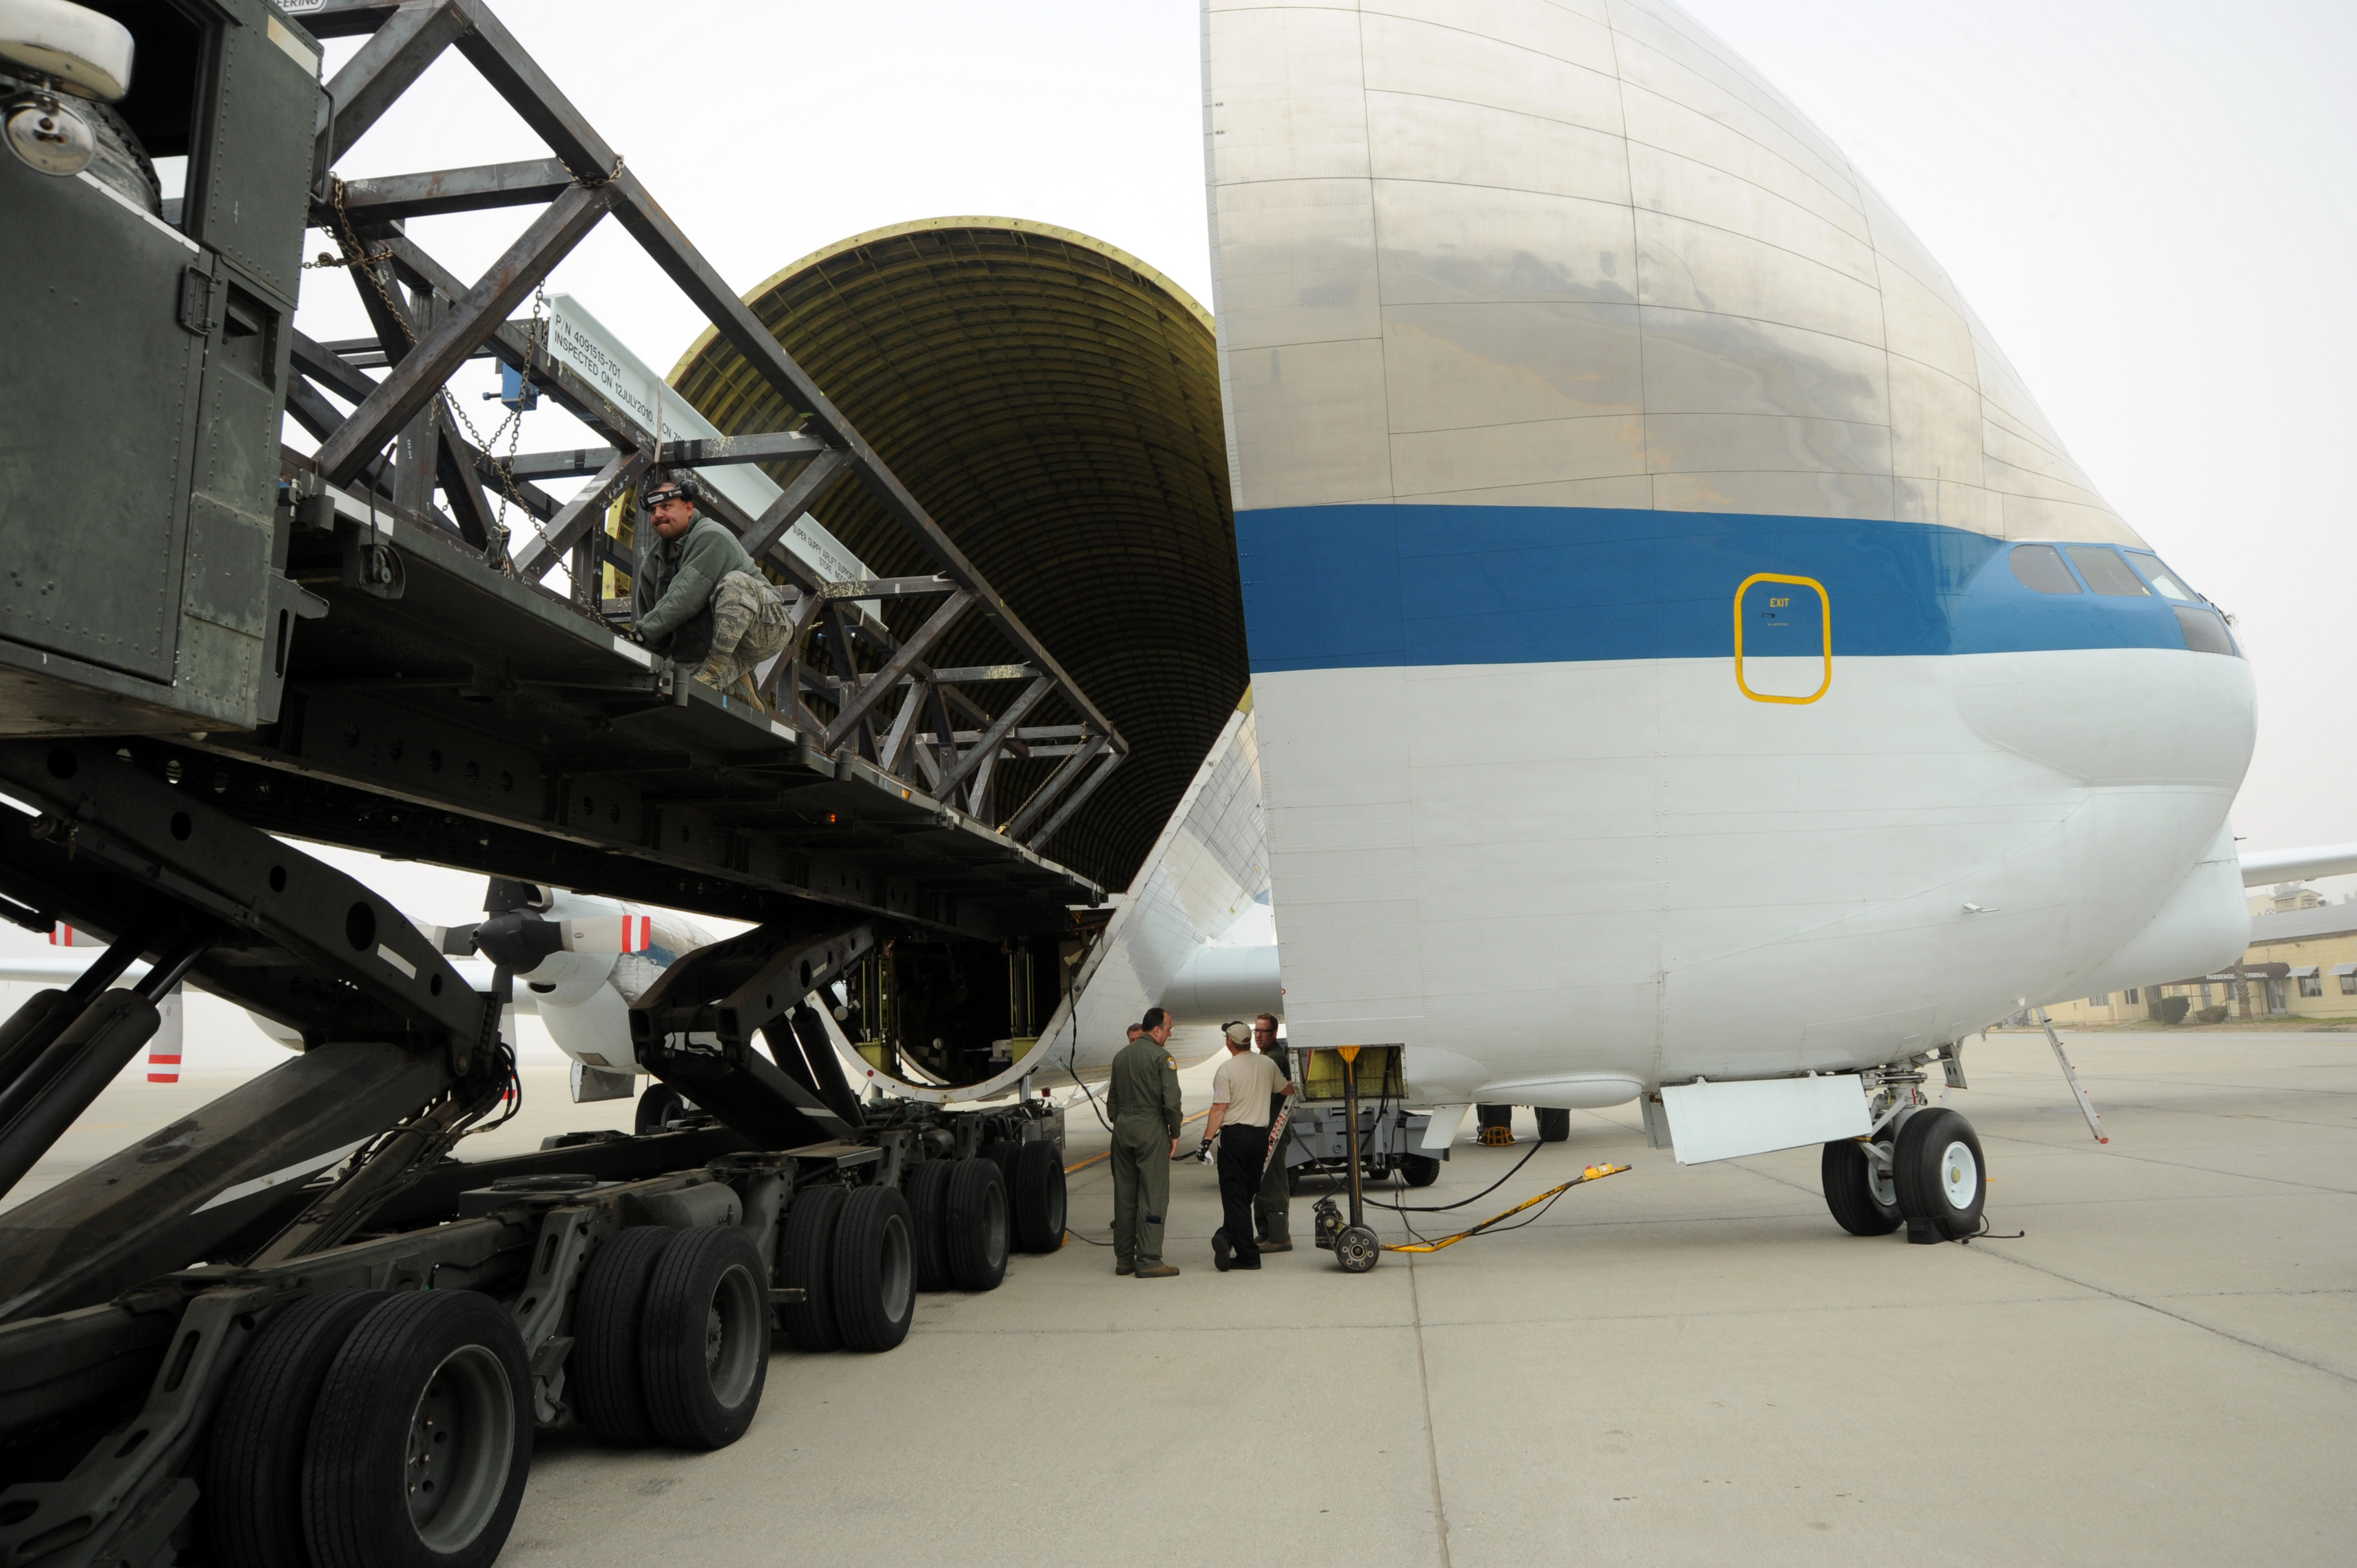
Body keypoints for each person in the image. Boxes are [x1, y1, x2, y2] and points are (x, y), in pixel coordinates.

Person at [629, 471, 796, 703]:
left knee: (735, 584)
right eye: (653, 511)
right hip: (719, 646)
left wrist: (639, 635)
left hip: (766, 628)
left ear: (688, 509)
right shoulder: (654, 563)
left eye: (666, 506)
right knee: (683, 686)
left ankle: (714, 672)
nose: (658, 515)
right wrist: (636, 655)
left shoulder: (711, 536)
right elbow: (652, 622)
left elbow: (686, 596)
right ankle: (741, 692)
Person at [1205, 1019, 1291, 1271]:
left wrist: (1205, 1141)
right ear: (1248, 1041)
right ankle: (1226, 1236)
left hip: (1235, 1138)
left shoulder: (1226, 1069)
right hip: (1259, 1139)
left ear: (1230, 1042)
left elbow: (1220, 1108)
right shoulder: (1267, 1064)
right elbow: (1287, 1089)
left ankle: (1247, 1255)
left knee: (1234, 1197)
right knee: (1246, 1196)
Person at [1104, 1008, 1183, 1278]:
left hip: (1123, 1130)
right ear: (1157, 1030)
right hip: (1151, 1129)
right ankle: (1149, 1259)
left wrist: (1122, 1121)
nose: (1170, 1034)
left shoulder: (1121, 1056)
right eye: (1169, 1029)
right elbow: (1171, 1101)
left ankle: (1124, 1260)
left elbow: (1112, 1101)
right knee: (1153, 1194)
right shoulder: (1162, 1058)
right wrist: (1174, 1131)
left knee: (1125, 1196)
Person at [1252, 1013, 1293, 1251]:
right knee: (1263, 1182)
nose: (1258, 1036)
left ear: (1274, 1034)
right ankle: (1266, 1232)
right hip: (1266, 1129)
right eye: (1256, 1031)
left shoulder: (1274, 1058)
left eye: (1263, 1032)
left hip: (1274, 1130)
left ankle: (1279, 1237)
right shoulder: (1266, 1057)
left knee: (1274, 1182)